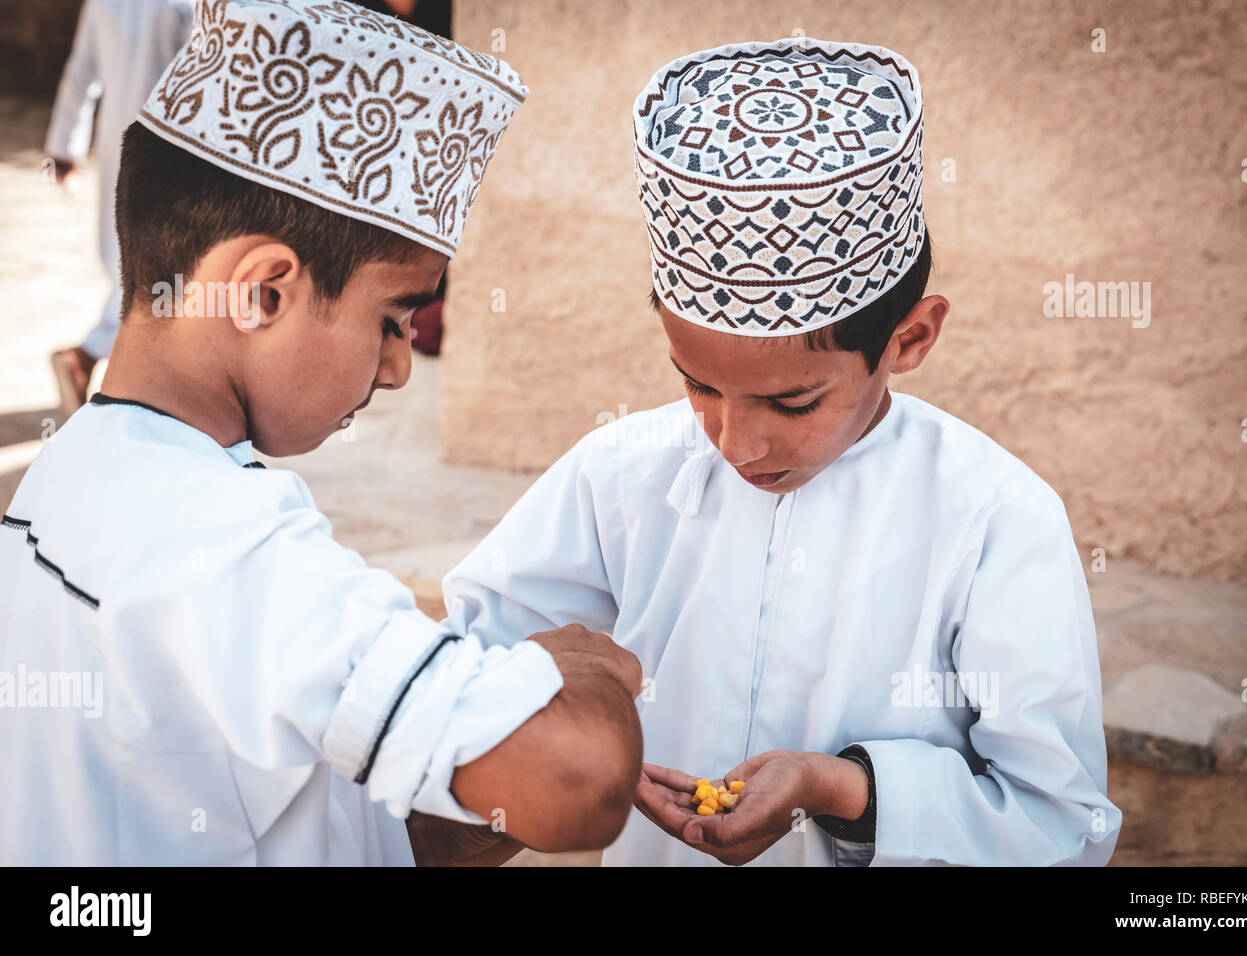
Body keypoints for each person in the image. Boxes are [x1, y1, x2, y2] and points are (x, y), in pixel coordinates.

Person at [435, 37, 1122, 866]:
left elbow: (1059, 822)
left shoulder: (995, 520)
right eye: (698, 385)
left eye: (791, 401)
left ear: (911, 338)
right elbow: (471, 671)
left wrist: (842, 791)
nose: (734, 443)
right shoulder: (619, 473)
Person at [0, 0, 642, 866]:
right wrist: (582, 676)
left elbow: (280, 807)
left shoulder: (72, 467)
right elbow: (578, 779)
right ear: (263, 293)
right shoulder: (232, 546)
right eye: (391, 319)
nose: (398, 368)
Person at [44, 0, 195, 416]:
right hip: (172, 143)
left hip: (119, 137)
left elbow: (81, 70)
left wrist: (63, 148)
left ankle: (102, 368)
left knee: (129, 256)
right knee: (160, 267)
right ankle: (95, 361)